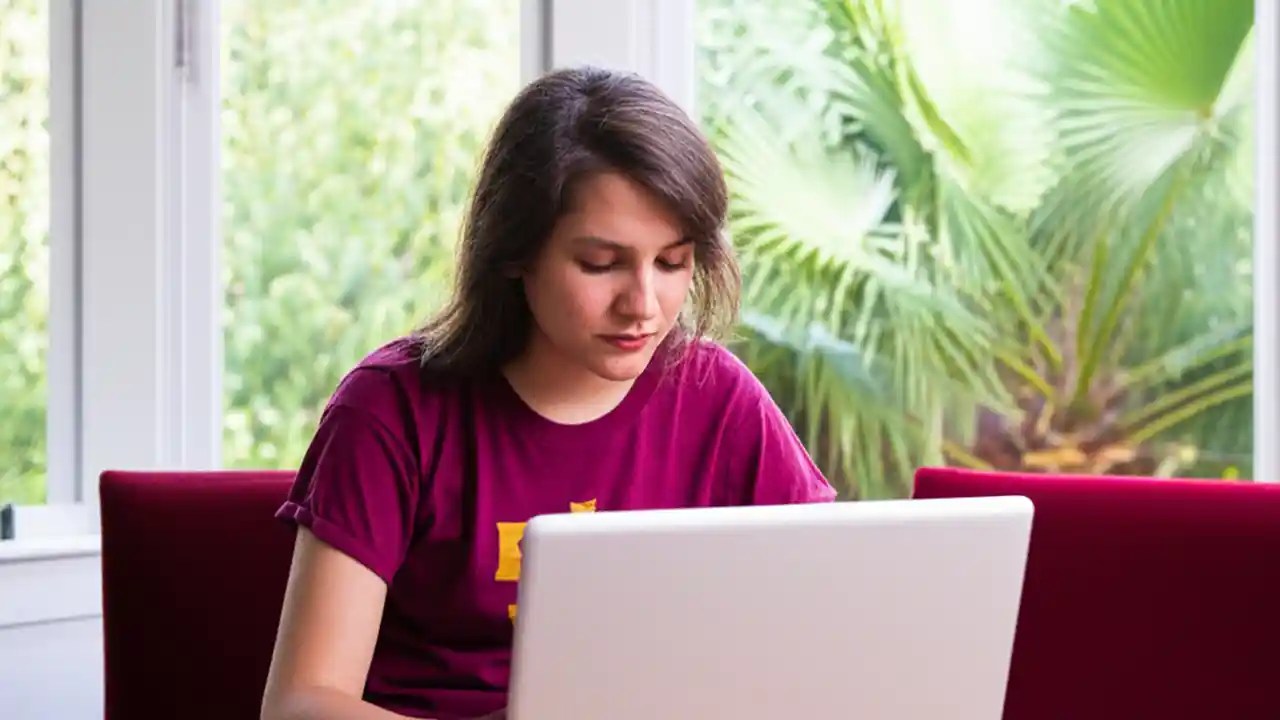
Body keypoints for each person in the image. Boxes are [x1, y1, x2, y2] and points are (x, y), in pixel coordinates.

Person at [259, 65, 837, 720]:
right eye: (600, 263)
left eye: (673, 263)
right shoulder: (391, 410)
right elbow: (300, 704)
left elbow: (828, 626)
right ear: (515, 252)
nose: (644, 305)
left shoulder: (719, 399)